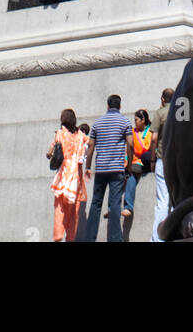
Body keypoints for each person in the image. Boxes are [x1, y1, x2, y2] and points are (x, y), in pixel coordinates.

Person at [84, 95, 133, 242]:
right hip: (117, 169)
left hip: (101, 169)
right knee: (115, 204)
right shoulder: (125, 121)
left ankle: (90, 238)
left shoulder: (98, 123)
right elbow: (130, 144)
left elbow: (91, 146)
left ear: (107, 105)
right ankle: (115, 239)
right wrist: (129, 166)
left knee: (96, 204)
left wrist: (88, 166)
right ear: (120, 106)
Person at [47, 108, 88, 243]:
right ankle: (70, 239)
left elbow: (49, 152)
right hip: (76, 179)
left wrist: (51, 154)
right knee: (74, 213)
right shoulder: (81, 135)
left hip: (63, 178)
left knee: (60, 211)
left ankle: (58, 238)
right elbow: (90, 143)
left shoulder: (60, 134)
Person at [149, 87, 175, 242]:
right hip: (177, 162)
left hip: (162, 159)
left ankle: (157, 238)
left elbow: (153, 139)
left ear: (163, 99)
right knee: (174, 201)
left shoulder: (160, 113)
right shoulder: (181, 113)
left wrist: (152, 159)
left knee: (162, 201)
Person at [123, 109, 152, 219]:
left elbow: (145, 149)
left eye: (136, 120)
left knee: (131, 174)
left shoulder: (150, 132)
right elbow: (128, 150)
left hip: (144, 162)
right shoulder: (132, 132)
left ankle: (128, 206)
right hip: (132, 161)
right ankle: (112, 208)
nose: (135, 122)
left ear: (143, 120)